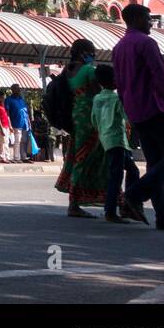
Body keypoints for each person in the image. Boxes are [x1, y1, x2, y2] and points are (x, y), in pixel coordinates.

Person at [113, 3, 164, 231]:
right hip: (155, 108)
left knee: (155, 162)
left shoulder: (119, 47)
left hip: (136, 112)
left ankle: (163, 216)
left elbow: (120, 83)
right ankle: (134, 195)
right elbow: (160, 76)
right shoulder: (146, 43)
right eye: (148, 18)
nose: (151, 23)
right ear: (136, 19)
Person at [54, 39, 111, 217]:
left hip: (75, 118)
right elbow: (98, 94)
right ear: (83, 53)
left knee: (78, 157)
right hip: (90, 118)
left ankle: (76, 200)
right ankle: (77, 202)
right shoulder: (88, 70)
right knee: (90, 158)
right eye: (91, 52)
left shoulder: (67, 71)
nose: (94, 55)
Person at [92, 63, 145, 225]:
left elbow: (94, 120)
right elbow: (128, 117)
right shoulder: (117, 98)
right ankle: (112, 210)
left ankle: (127, 204)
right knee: (117, 175)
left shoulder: (97, 98)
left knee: (130, 170)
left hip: (106, 139)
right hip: (118, 140)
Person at [5, 84, 35, 163]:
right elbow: (7, 113)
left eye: (19, 89)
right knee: (17, 141)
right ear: (12, 90)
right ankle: (16, 157)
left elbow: (26, 112)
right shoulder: (8, 100)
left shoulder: (21, 99)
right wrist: (10, 124)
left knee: (24, 141)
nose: (18, 90)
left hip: (25, 124)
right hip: (16, 123)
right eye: (16, 89)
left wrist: (29, 122)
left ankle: (23, 157)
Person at [0, 91, 13, 163]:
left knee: (6, 142)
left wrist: (10, 126)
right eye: (1, 97)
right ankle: (2, 157)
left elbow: (7, 116)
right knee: (2, 142)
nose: (3, 98)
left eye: (3, 97)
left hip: (6, 126)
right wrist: (1, 128)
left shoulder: (3, 106)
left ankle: (7, 157)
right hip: (1, 127)